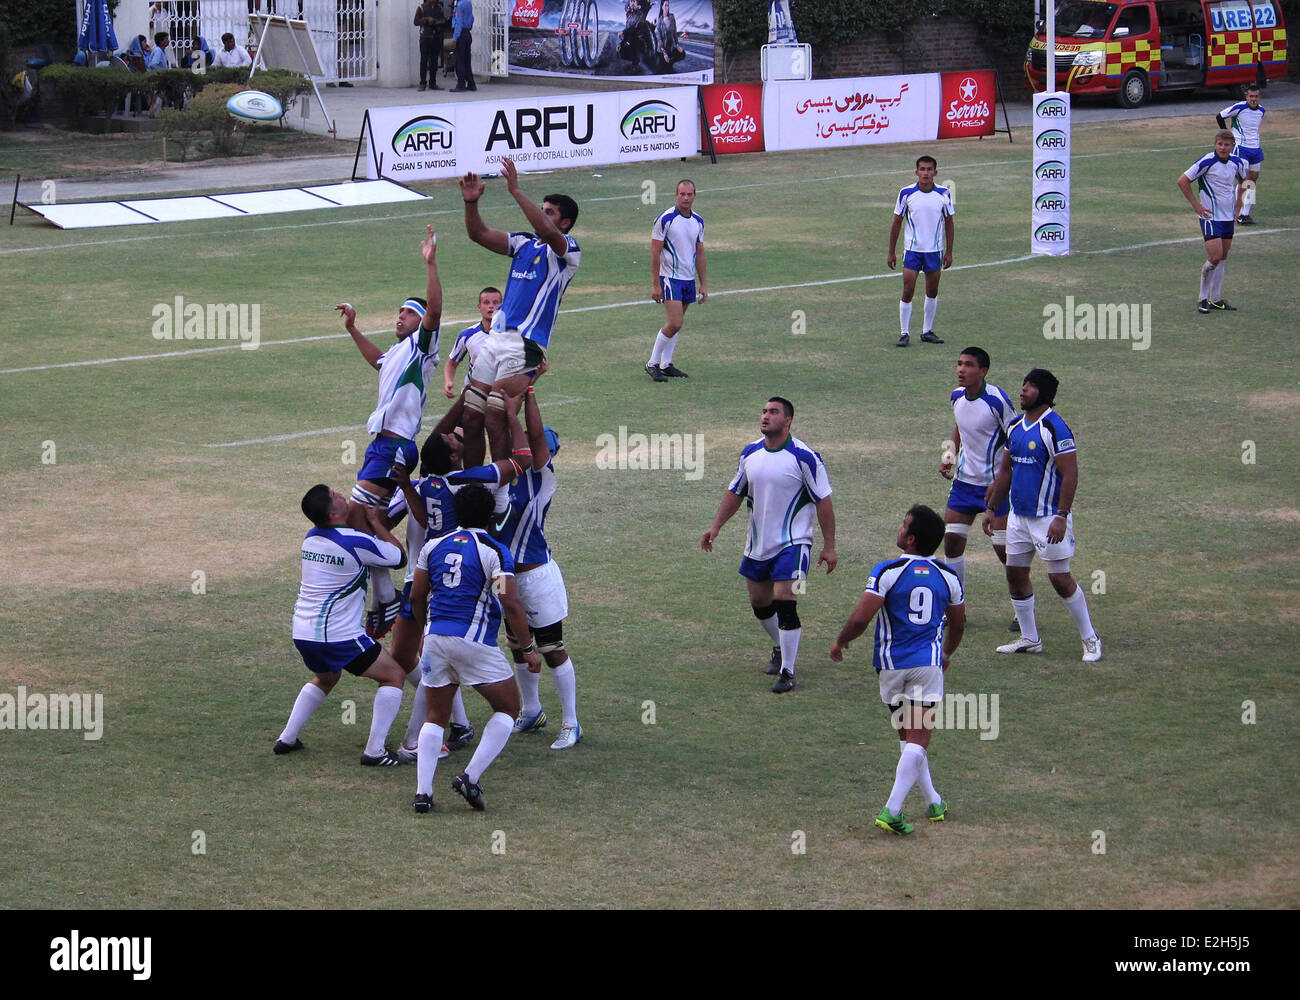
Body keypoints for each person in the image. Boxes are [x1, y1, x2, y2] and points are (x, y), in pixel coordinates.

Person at [830, 505, 964, 835]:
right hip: (926, 665)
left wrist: (841, 642)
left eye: (904, 525)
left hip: (890, 666)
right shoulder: (949, 577)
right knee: (918, 740)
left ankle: (934, 801)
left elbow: (861, 619)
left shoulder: (887, 571)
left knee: (908, 738)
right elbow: (959, 624)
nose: (899, 529)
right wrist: (946, 652)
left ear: (911, 539)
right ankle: (892, 810)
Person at [335, 225, 442, 637]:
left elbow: (434, 310)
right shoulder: (399, 352)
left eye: (408, 313)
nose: (401, 317)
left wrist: (431, 265)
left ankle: (388, 593)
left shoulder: (422, 347)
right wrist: (352, 331)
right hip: (382, 446)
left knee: (359, 518)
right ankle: (384, 597)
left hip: (395, 447)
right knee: (363, 519)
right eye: (399, 312)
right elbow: (378, 360)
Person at [408, 485, 542, 812]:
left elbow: (415, 595)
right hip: (473, 643)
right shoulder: (494, 551)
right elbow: (510, 602)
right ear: (492, 515)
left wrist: (426, 630)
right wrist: (527, 648)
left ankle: (423, 794)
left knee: (435, 715)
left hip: (435, 640)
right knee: (508, 708)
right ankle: (469, 776)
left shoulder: (433, 546)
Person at [702, 397, 836, 693]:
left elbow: (823, 501)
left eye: (773, 412)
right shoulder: (750, 453)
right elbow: (735, 492)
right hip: (758, 543)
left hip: (794, 542)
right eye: (763, 411)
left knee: (785, 597)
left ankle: (788, 671)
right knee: (759, 601)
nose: (765, 416)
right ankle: (780, 646)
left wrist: (829, 545)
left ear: (787, 421)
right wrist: (715, 527)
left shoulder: (805, 457)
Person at [457, 158, 580, 473]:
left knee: (497, 412)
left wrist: (515, 190)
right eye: (544, 208)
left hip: (527, 344)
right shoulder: (523, 243)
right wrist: (471, 204)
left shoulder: (567, 252)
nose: (543, 213)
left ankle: (500, 494)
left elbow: (546, 230)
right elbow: (478, 234)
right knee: (471, 413)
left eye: (550, 211)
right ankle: (474, 482)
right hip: (497, 340)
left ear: (564, 223)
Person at [276, 484, 411, 767]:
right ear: (334, 511)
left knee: (327, 678)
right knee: (394, 676)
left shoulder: (310, 538)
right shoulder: (355, 542)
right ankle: (375, 752)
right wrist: (375, 522)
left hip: (303, 632)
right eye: (336, 495)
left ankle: (287, 738)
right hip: (338, 636)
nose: (341, 493)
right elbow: (400, 558)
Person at [985, 369, 1101, 663]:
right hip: (1018, 518)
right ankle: (1030, 638)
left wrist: (1061, 516)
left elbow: (1070, 474)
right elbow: (1006, 471)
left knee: (1060, 578)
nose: (1023, 390)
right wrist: (990, 507)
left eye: (1031, 386)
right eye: (1024, 384)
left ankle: (1090, 638)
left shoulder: (1055, 428)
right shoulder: (1014, 427)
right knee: (1014, 573)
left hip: (1047, 518)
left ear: (1044, 394)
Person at [497, 388, 583, 749]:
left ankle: (571, 722)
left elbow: (528, 436)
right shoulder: (507, 471)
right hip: (504, 577)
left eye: (536, 446)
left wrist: (524, 401)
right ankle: (531, 711)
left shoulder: (544, 478)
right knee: (517, 644)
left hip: (537, 576)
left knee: (551, 648)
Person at [940, 347, 1018, 631]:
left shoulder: (997, 401)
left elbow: (1016, 436)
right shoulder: (957, 397)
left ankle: (1020, 607)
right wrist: (949, 454)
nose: (961, 369)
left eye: (969, 365)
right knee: (951, 544)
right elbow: (960, 427)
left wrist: (1002, 482)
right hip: (963, 485)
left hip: (994, 488)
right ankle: (955, 609)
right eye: (959, 364)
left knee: (1004, 550)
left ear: (983, 371)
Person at [1177, 130, 1247, 314]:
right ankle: (1202, 298)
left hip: (1227, 218)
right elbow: (1182, 181)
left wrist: (1240, 205)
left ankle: (1216, 299)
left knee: (1223, 257)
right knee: (1215, 257)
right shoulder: (1206, 161)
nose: (1223, 148)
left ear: (1232, 146)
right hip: (1210, 217)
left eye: (1226, 145)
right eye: (1220, 144)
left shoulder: (1237, 163)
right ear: (1215, 144)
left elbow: (1245, 183)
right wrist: (1196, 206)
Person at [887, 154, 954, 347]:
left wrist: (949, 252)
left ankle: (927, 331)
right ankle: (904, 332)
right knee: (908, 290)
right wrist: (891, 251)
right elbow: (897, 222)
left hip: (934, 251)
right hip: (912, 250)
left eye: (929, 169)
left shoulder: (943, 193)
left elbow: (949, 223)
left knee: (932, 291)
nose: (925, 173)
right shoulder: (906, 193)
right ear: (916, 172)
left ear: (935, 172)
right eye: (922, 169)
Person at [645, 179, 706, 382]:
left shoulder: (698, 221)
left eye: (689, 194)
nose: (686, 198)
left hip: (688, 279)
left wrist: (703, 283)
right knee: (675, 322)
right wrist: (655, 283)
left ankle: (666, 363)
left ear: (695, 195)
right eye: (682, 194)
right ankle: (652, 363)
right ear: (676, 195)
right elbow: (655, 251)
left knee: (678, 324)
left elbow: (700, 252)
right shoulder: (666, 219)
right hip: (670, 278)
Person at [1217, 84, 1265, 224]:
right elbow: (1219, 116)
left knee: (1252, 180)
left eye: (1256, 96)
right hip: (1241, 148)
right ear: (1246, 97)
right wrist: (1227, 136)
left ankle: (1245, 214)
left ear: (1259, 97)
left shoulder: (1262, 111)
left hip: (1256, 149)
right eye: (1251, 96)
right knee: (1244, 180)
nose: (1253, 99)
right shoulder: (1239, 108)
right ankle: (1236, 212)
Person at [444, 286, 501, 399]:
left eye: (495, 303)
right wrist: (448, 381)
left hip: (499, 396)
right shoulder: (467, 335)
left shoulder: (511, 335)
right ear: (479, 307)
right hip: (472, 395)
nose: (491, 306)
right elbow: (451, 363)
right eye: (486, 302)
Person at [414, 0, 447, 91]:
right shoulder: (421, 8)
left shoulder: (439, 8)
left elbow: (443, 20)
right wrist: (426, 20)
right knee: (424, 60)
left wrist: (439, 23)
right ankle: (423, 83)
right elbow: (416, 21)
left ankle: (433, 82)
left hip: (436, 36)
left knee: (434, 60)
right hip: (425, 37)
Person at [451, 0, 475, 92]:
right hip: (467, 33)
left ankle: (461, 84)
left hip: (461, 35)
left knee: (459, 60)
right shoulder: (468, 3)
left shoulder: (460, 5)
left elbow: (459, 22)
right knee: (466, 60)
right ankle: (471, 83)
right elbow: (472, 18)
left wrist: (455, 38)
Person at [655, 1, 687, 68]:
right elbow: (659, 38)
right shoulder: (659, 21)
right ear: (662, 7)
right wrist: (664, 53)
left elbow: (674, 33)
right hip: (663, 49)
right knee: (663, 67)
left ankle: (670, 61)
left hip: (671, 47)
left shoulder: (672, 18)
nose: (667, 7)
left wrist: (677, 46)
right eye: (665, 5)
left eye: (668, 5)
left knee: (683, 53)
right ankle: (666, 61)